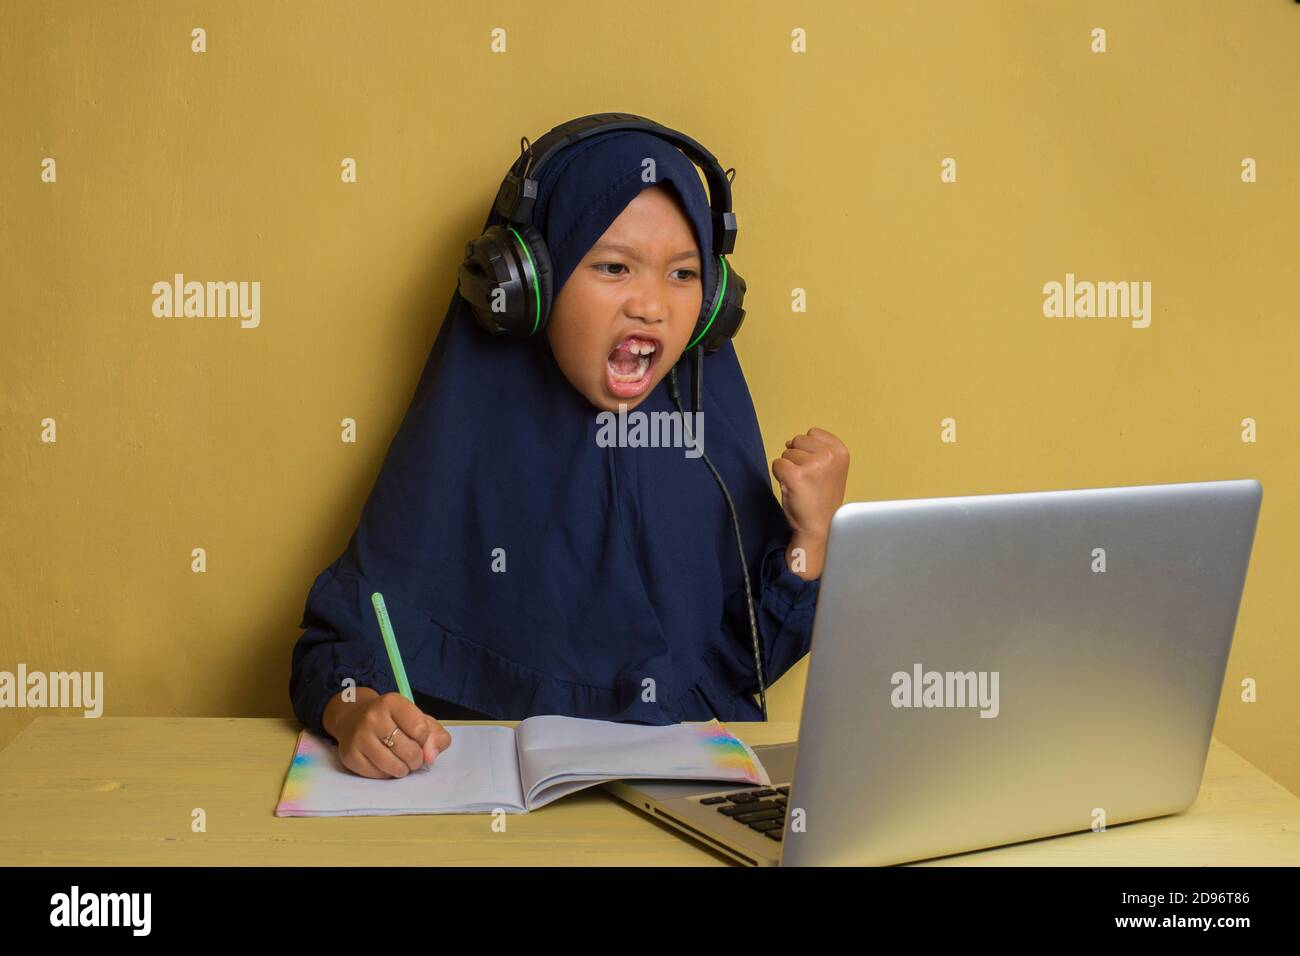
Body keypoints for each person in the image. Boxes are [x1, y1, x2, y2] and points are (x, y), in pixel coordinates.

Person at [288, 125, 849, 779]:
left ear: (714, 300)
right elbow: (338, 645)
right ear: (530, 284)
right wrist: (351, 710)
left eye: (684, 274)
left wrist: (811, 540)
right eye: (613, 266)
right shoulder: (465, 436)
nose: (651, 305)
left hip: (684, 804)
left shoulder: (703, 445)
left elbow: (746, 661)